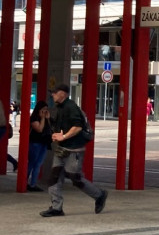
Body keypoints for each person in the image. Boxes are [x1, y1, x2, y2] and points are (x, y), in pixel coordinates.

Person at [41, 84, 106, 218]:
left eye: (54, 93)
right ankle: (56, 207)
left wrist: (63, 137)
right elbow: (62, 127)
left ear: (63, 94)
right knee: (54, 177)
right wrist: (50, 121)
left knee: (75, 178)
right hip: (62, 149)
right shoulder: (61, 108)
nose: (52, 95)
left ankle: (99, 195)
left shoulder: (71, 107)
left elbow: (77, 127)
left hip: (74, 150)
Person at [26, 98, 52, 192]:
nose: (45, 111)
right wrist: (42, 118)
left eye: (46, 109)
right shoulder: (34, 118)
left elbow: (50, 129)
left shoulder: (46, 118)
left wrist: (47, 119)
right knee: (32, 163)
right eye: (43, 109)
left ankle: (33, 184)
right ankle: (25, 182)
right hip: (35, 142)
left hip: (44, 143)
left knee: (38, 164)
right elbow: (39, 129)